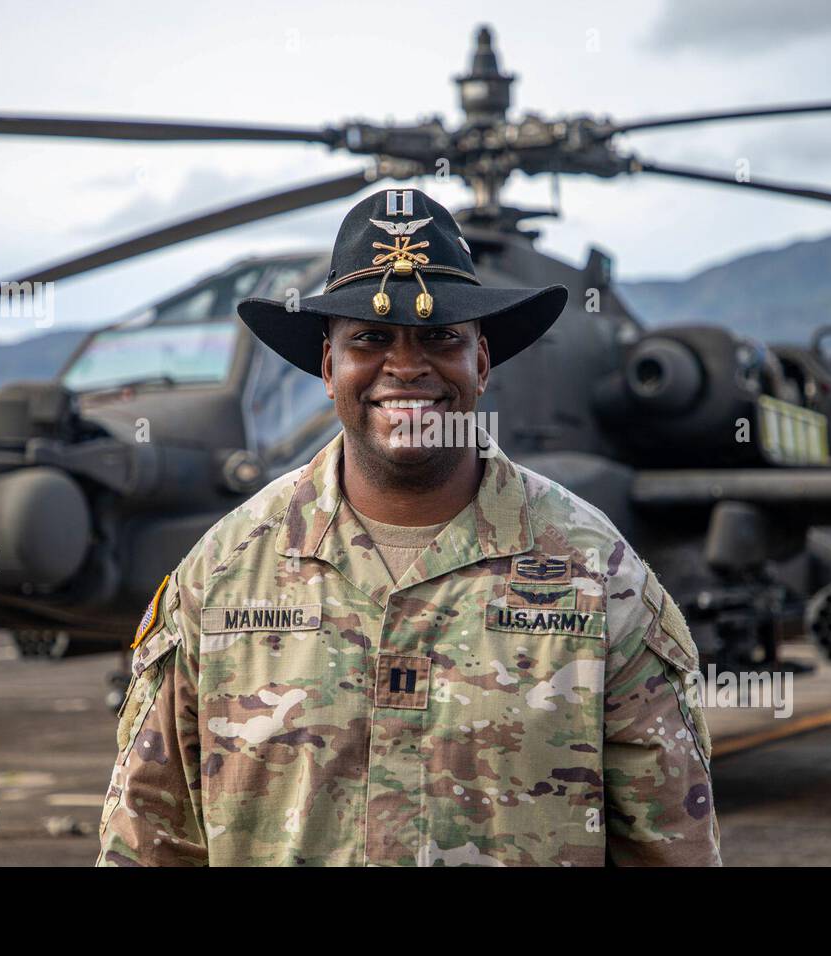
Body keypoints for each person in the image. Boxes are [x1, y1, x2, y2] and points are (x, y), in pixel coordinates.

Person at [96, 187, 720, 866]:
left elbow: (671, 846)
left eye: (439, 338)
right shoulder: (221, 574)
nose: (406, 367)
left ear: (480, 364)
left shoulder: (600, 577)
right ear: (329, 368)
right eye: (370, 338)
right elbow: (149, 841)